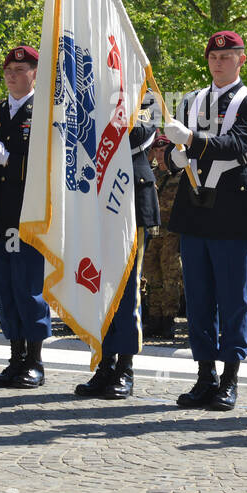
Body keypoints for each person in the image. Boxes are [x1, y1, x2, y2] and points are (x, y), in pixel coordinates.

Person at [162, 30, 247, 412]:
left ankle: (230, 378)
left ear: (242, 60)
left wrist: (190, 140)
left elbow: (237, 145)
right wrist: (172, 157)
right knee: (199, 298)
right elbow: (169, 153)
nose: (219, 62)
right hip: (195, 207)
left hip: (232, 209)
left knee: (233, 298)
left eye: (228, 56)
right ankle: (204, 374)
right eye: (213, 57)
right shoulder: (191, 100)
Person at [0, 45, 53, 388]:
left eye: (21, 70)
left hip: (29, 216)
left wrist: (11, 161)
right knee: (3, 288)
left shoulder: (44, 112)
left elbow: (50, 167)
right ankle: (15, 356)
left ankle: (34, 360)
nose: (13, 75)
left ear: (35, 73)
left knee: (28, 288)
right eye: (9, 70)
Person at [74, 92, 160, 399]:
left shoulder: (145, 100)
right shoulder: (92, 94)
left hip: (130, 201)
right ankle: (104, 364)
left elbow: (139, 135)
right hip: (95, 199)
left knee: (125, 289)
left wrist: (109, 110)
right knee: (97, 288)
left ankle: (125, 368)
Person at [141, 138, 184, 338]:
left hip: (172, 234)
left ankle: (169, 319)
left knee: (171, 277)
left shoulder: (182, 176)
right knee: (153, 276)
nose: (159, 154)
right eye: (156, 151)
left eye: (163, 150)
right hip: (154, 232)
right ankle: (154, 317)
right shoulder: (152, 175)